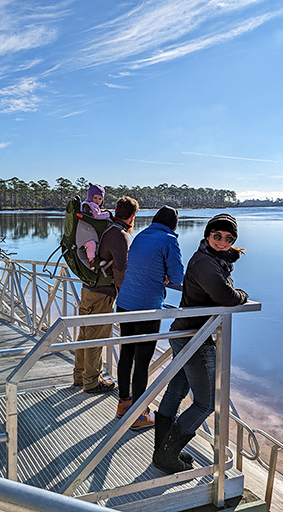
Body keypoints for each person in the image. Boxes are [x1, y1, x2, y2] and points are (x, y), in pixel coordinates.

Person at [152, 213, 249, 473]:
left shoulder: (211, 259)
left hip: (185, 333)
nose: (222, 242)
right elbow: (224, 296)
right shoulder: (206, 262)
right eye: (217, 236)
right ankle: (167, 455)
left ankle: (163, 450)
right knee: (205, 403)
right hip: (196, 336)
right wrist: (243, 295)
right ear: (207, 235)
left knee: (176, 391)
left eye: (228, 239)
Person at [114, 206, 184, 430]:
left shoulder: (141, 235)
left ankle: (123, 404)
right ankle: (138, 414)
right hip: (146, 307)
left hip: (124, 303)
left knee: (127, 353)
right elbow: (177, 276)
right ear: (174, 224)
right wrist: (164, 276)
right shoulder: (168, 240)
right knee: (143, 360)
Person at [73, 195, 139, 393]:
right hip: (102, 293)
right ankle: (92, 382)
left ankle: (80, 376)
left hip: (88, 288)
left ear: (116, 211)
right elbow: (121, 270)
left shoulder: (107, 227)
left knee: (84, 334)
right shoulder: (119, 235)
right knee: (97, 337)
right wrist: (124, 295)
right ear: (133, 216)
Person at [81, 183, 111, 268]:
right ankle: (91, 261)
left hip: (88, 231)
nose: (97, 200)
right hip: (85, 234)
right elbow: (97, 216)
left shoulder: (90, 205)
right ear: (90, 197)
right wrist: (108, 214)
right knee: (92, 244)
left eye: (100, 199)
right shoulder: (91, 205)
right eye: (95, 198)